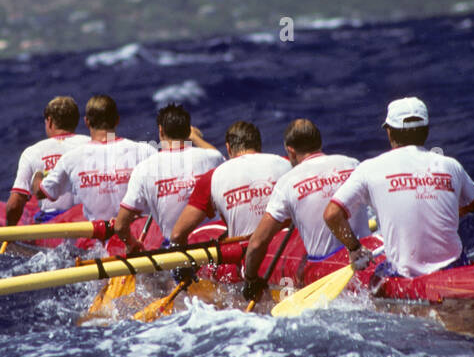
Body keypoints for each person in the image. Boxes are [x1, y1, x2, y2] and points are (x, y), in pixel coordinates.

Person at [324, 97, 474, 279]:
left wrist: (355, 249)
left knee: (375, 279)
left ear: (389, 133)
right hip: (455, 268)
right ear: (427, 131)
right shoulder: (451, 165)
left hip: (403, 276)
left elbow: (332, 214)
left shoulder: (369, 168)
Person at [240, 119, 365, 301]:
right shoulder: (352, 164)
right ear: (319, 142)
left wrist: (250, 280)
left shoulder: (287, 183)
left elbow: (257, 243)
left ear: (290, 150)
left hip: (326, 272)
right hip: (366, 260)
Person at [114, 104, 223, 251]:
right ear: (187, 131)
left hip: (177, 253)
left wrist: (131, 244)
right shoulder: (212, 158)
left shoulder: (143, 169)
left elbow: (120, 226)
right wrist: (195, 138)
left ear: (160, 130)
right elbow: (219, 156)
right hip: (216, 244)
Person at [37, 94, 155, 222]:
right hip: (139, 236)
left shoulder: (70, 159)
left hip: (96, 238)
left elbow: (43, 192)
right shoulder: (146, 151)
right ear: (117, 120)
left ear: (87, 122)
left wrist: (37, 178)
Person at [170, 120, 290, 243]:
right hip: (290, 249)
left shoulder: (212, 178)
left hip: (247, 256)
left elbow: (177, 235)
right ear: (259, 144)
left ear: (228, 148)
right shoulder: (288, 164)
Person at [5, 96, 89, 226]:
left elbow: (14, 205)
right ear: (76, 121)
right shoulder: (94, 145)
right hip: (89, 220)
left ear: (49, 121)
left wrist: (9, 231)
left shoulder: (32, 152)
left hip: (53, 225)